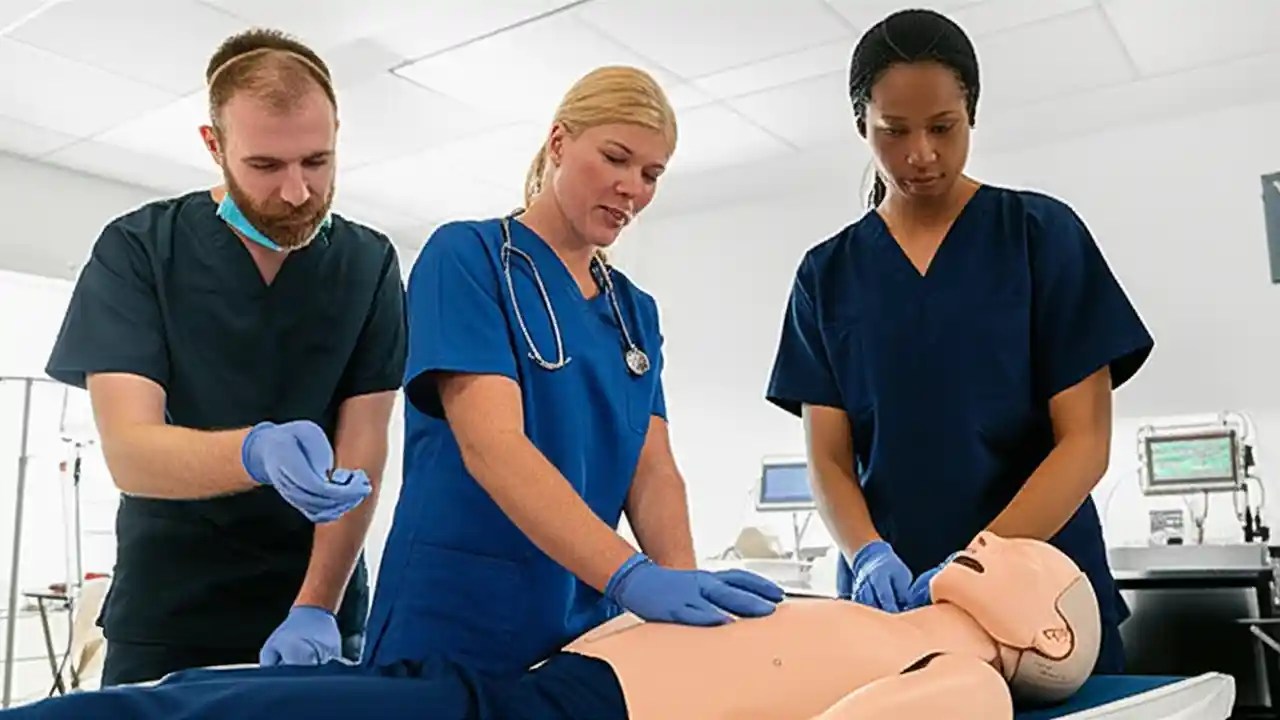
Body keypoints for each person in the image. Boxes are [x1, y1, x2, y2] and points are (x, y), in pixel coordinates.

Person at [764, 9, 1153, 675]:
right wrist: (867, 554)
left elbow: (1084, 442)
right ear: (862, 126)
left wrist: (981, 558)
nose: (921, 153)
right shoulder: (827, 275)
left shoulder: (1040, 236)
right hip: (896, 612)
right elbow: (828, 459)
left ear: (971, 114)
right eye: (894, 131)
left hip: (1041, 598)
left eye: (944, 128)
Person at [362, 64, 784, 677]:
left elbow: (653, 468)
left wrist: (689, 602)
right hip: (453, 615)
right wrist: (629, 573)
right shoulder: (466, 259)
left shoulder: (634, 313)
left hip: (576, 625)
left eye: (652, 174)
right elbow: (492, 445)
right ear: (559, 142)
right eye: (616, 158)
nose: (632, 189)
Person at [43, 28, 406, 685]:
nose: (297, 192)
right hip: (169, 615)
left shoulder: (368, 263)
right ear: (214, 146)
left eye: (317, 162)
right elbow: (131, 452)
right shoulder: (139, 252)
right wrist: (254, 452)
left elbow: (364, 447)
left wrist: (316, 607)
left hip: (317, 610)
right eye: (266, 166)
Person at [0, 533, 1100, 720]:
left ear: (1045, 640)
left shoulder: (969, 676)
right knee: (215, 691)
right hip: (544, 678)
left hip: (569, 707)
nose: (990, 544)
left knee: (233, 709)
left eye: (1021, 565)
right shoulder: (892, 618)